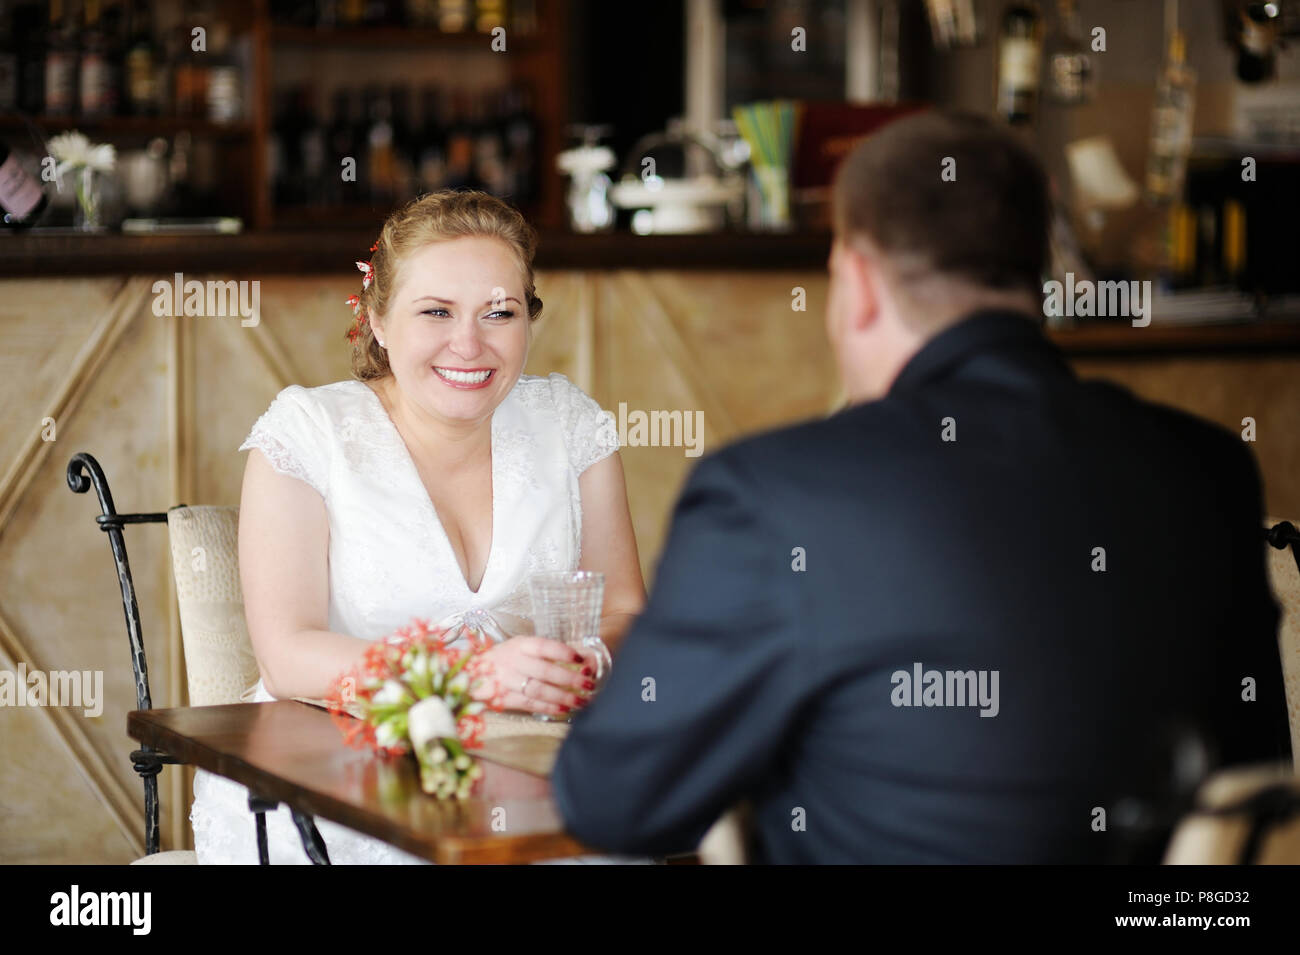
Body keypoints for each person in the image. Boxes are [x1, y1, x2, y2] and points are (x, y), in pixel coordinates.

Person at [550, 110, 1293, 864]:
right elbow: (1251, 784)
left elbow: (609, 798)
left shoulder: (770, 496)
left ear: (860, 286)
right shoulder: (1210, 469)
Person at [190, 190, 646, 864]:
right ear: (377, 318)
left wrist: (589, 662)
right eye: (436, 311)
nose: (470, 343)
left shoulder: (570, 425)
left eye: (500, 312)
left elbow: (624, 608)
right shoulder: (309, 434)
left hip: (530, 772)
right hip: (336, 785)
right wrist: (470, 676)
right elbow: (287, 656)